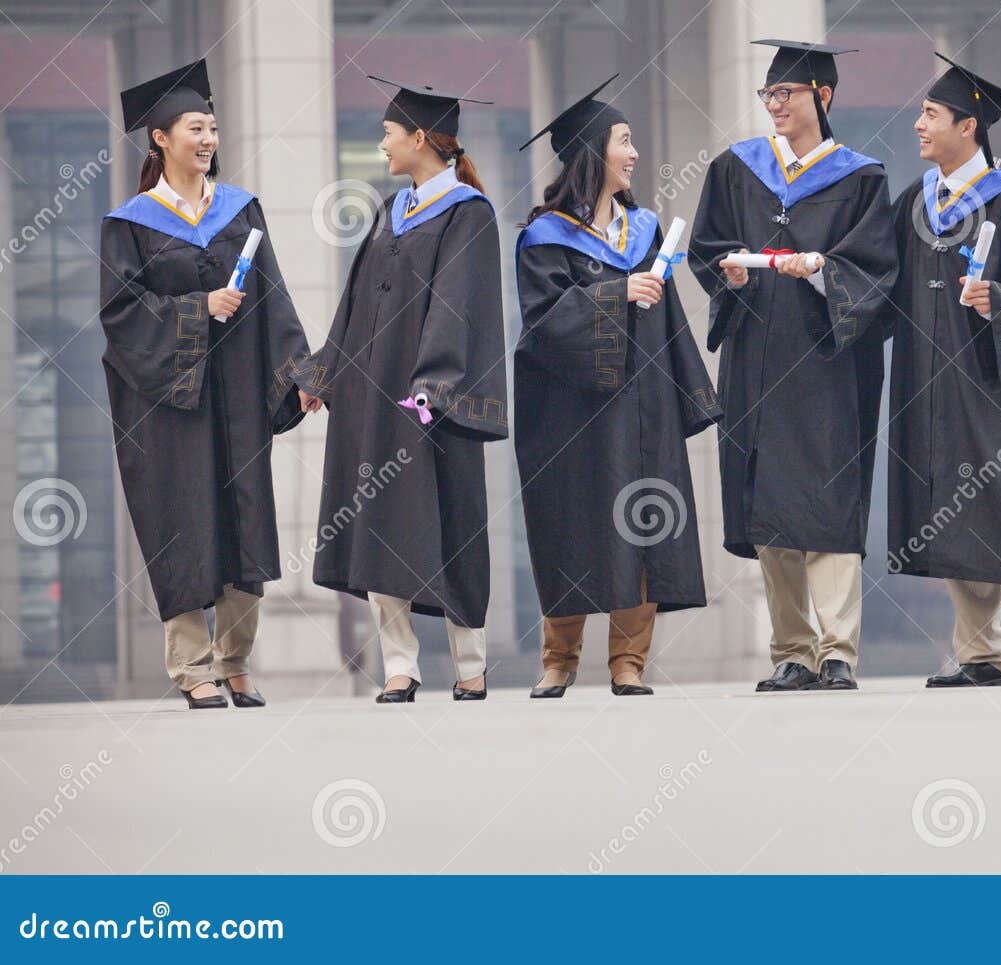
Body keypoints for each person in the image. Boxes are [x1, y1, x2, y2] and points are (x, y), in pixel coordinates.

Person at [100, 57, 320, 709]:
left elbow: (275, 298)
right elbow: (120, 316)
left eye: (213, 128)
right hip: (170, 405)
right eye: (195, 128)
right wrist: (199, 309)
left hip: (241, 394)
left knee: (246, 520)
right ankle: (193, 666)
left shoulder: (240, 211)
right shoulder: (131, 224)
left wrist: (300, 373)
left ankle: (235, 661)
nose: (207, 139)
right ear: (160, 138)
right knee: (182, 523)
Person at [688, 39, 897, 693]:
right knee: (770, 501)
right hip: (755, 358)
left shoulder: (861, 178)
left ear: (822, 97)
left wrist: (825, 270)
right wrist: (729, 276)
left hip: (826, 365)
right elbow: (707, 247)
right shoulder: (736, 168)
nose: (774, 104)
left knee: (827, 501)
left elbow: (877, 270)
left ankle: (838, 652)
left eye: (786, 93)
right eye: (768, 94)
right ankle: (792, 651)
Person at [302, 76, 508, 703]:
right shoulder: (392, 211)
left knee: (454, 524)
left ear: (420, 138)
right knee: (380, 526)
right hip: (373, 397)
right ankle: (400, 666)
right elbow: (356, 302)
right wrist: (324, 375)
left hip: (432, 404)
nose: (382, 145)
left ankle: (470, 665)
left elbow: (458, 305)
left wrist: (431, 388)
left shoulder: (469, 213)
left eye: (388, 134)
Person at [514, 78, 721, 699]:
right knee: (570, 522)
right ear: (592, 151)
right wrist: (616, 292)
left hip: (643, 403)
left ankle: (628, 661)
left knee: (644, 524)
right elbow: (541, 323)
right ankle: (559, 659)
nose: (633, 154)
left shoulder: (645, 231)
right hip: (572, 412)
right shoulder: (544, 237)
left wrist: (689, 396)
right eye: (623, 142)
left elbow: (671, 319)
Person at [886, 52, 1001, 688]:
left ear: (968, 126)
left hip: (998, 384)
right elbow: (883, 286)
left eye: (930, 114)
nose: (919, 125)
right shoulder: (915, 204)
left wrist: (999, 300)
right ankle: (982, 654)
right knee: (953, 507)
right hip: (933, 385)